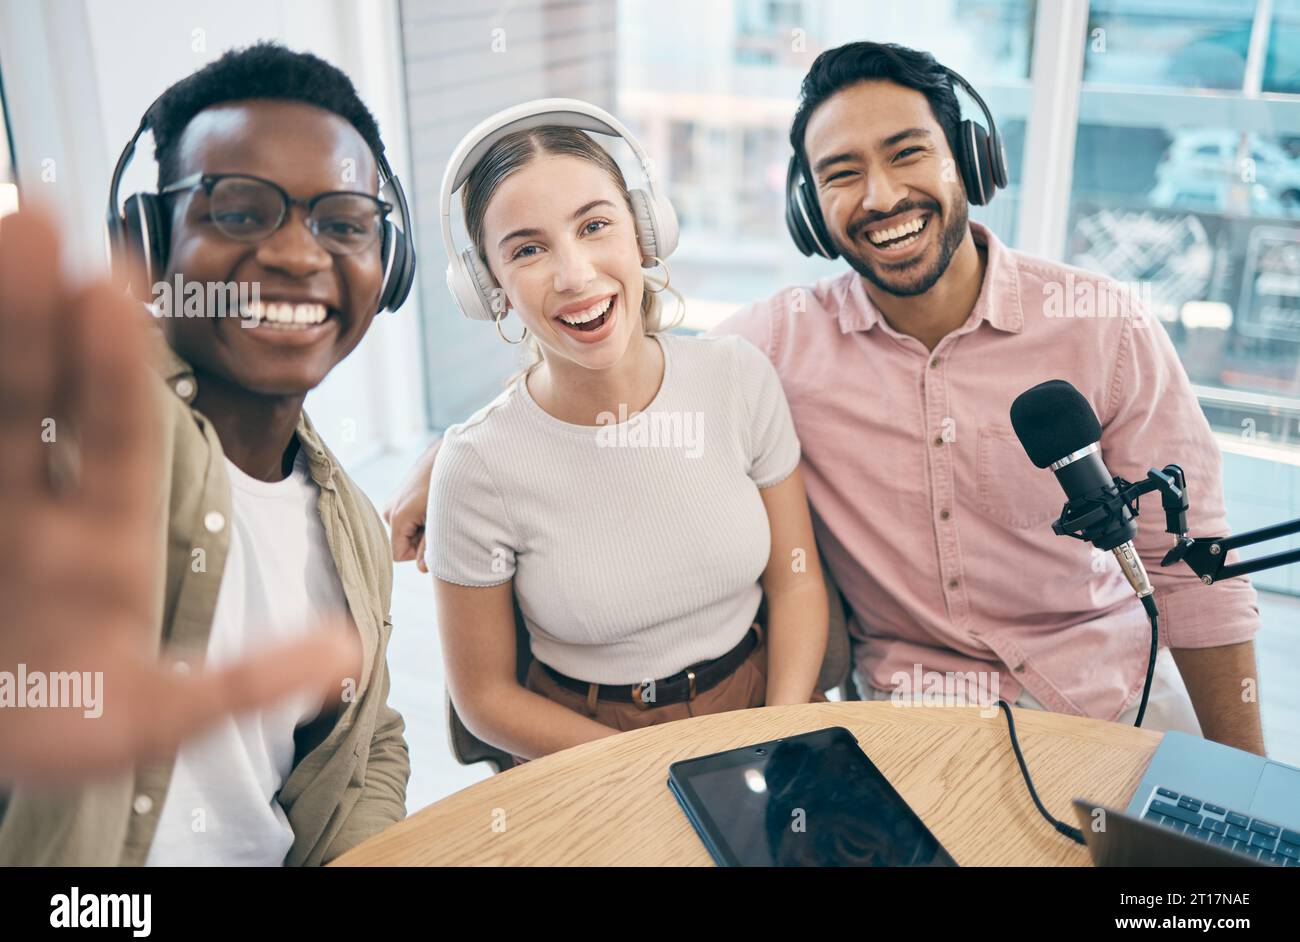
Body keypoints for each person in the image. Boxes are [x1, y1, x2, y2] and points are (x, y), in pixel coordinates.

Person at [387, 43, 1265, 755]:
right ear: (812, 208)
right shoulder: (774, 345)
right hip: (908, 720)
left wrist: (1247, 794)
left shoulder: (1103, 327)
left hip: (1112, 698)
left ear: (972, 155)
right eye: (842, 172)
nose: (881, 197)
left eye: (909, 152)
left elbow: (1197, 578)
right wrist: (456, 455)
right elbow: (612, 352)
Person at [0, 42, 411, 865]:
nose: (298, 256)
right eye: (238, 211)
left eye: (342, 223)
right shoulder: (68, 448)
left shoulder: (356, 525)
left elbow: (371, 745)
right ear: (149, 244)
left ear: (386, 265)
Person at [426, 104, 828, 762]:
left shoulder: (736, 377)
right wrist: (645, 767)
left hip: (763, 700)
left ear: (645, 231)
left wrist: (777, 728)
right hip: (590, 744)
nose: (575, 274)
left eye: (594, 225)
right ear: (487, 286)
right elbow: (485, 696)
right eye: (528, 248)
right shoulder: (476, 466)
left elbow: (797, 579)